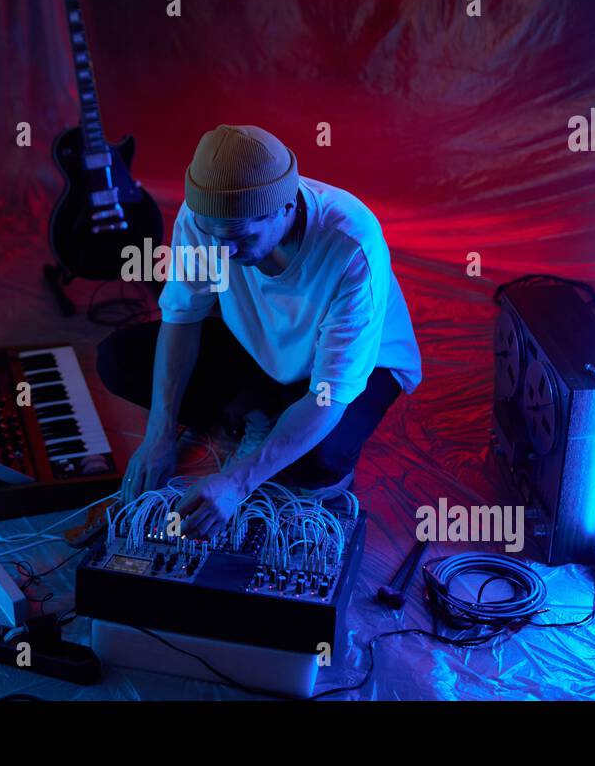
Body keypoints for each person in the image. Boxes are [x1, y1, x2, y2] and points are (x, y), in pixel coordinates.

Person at [96, 124, 422, 537]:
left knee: (318, 459)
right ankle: (260, 409)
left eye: (238, 238)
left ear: (285, 207)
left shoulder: (352, 242)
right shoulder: (204, 220)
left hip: (357, 371)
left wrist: (238, 482)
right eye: (214, 237)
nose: (222, 252)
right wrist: (157, 436)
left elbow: (332, 392)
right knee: (118, 360)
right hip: (260, 348)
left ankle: (257, 415)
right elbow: (182, 318)